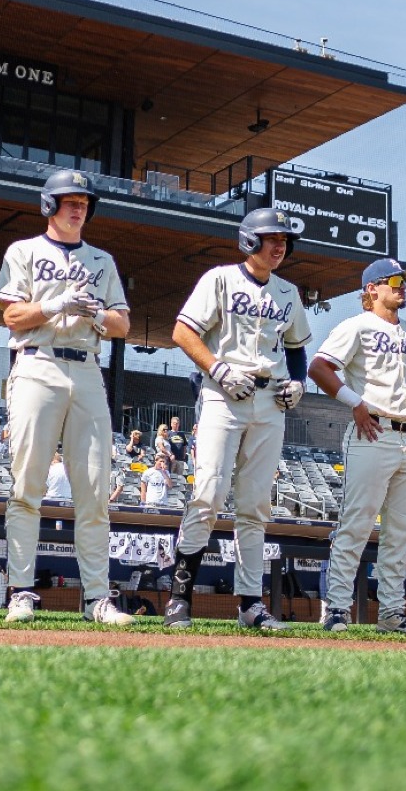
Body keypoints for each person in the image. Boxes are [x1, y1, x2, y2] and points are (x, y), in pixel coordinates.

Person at [0, 169, 134, 627]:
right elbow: (11, 315)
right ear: (49, 205)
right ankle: (19, 591)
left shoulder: (102, 260)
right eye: (70, 201)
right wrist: (55, 304)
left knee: (94, 491)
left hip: (87, 367)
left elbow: (122, 325)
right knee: (26, 486)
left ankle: (97, 597)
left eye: (84, 203)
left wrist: (97, 315)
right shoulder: (24, 250)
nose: (78, 208)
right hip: (38, 362)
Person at [164, 207, 310, 631]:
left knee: (255, 505)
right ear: (249, 240)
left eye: (284, 240)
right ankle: (179, 597)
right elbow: (183, 332)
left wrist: (298, 382)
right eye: (272, 238)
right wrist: (218, 368)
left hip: (270, 401)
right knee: (209, 494)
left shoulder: (288, 292)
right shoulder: (220, 279)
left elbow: (297, 348)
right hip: (223, 394)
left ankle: (250, 603)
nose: (280, 245)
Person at [308, 257, 406, 634]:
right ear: (372, 289)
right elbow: (319, 367)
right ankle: (336, 608)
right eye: (395, 281)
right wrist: (354, 402)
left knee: (401, 532)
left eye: (404, 281)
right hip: (373, 432)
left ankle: (392, 613)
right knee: (356, 525)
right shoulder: (357, 326)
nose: (403, 286)